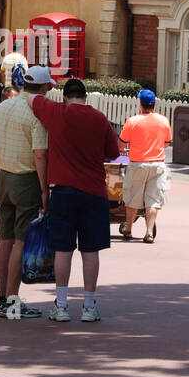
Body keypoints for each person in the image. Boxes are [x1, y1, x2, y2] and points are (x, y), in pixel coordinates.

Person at [31, 77, 120, 322]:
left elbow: (32, 98)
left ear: (64, 97)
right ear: (85, 96)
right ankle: (89, 306)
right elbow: (113, 153)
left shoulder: (56, 113)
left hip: (63, 191)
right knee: (90, 251)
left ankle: (61, 305)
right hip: (94, 192)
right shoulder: (100, 119)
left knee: (63, 249)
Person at [0, 65, 51, 319]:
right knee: (22, 239)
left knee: (5, 238)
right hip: (26, 179)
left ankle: (3, 298)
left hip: (4, 179)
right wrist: (44, 190)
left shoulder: (6, 105)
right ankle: (12, 300)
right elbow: (40, 154)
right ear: (44, 87)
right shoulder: (36, 112)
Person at [119, 88, 172, 243]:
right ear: (154, 104)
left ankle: (128, 229)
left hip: (138, 164)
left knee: (132, 198)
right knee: (153, 200)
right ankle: (149, 232)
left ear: (140, 104)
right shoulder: (163, 121)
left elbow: (121, 145)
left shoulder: (132, 121)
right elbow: (167, 143)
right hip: (157, 164)